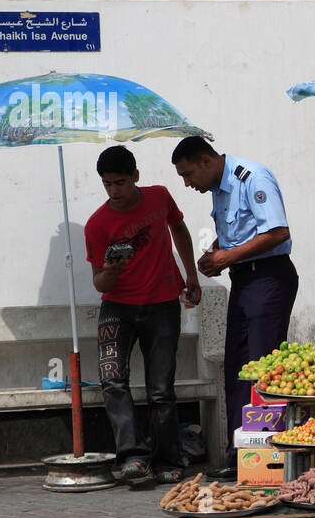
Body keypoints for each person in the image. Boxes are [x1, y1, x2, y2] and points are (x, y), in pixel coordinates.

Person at [171, 136, 298, 479]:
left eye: (188, 174)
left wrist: (227, 256)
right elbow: (239, 235)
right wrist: (217, 253)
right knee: (238, 367)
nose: (187, 184)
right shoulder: (218, 186)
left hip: (269, 279)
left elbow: (278, 232)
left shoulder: (252, 178)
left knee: (260, 367)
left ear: (206, 161)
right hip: (244, 281)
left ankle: (266, 453)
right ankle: (239, 453)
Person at [84, 145, 201, 487]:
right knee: (112, 380)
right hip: (117, 308)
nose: (114, 191)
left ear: (136, 176)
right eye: (107, 184)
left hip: (163, 304)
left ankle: (168, 458)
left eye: (120, 182)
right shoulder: (97, 224)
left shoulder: (159, 197)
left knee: (161, 389)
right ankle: (132, 457)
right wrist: (112, 270)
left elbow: (179, 229)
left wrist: (190, 275)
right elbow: (98, 283)